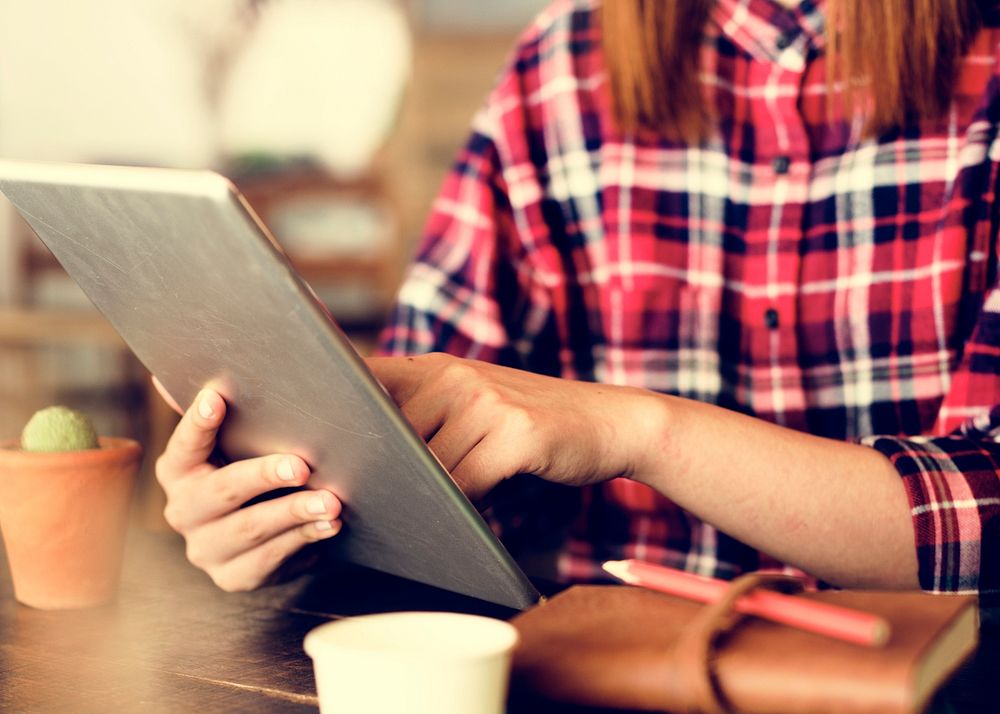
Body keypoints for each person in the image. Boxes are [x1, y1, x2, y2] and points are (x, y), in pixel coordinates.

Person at [155, 0, 1000, 604]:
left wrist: (636, 431)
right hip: (591, 684)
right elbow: (420, 441)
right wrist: (285, 505)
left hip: (935, 693)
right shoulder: (560, 66)